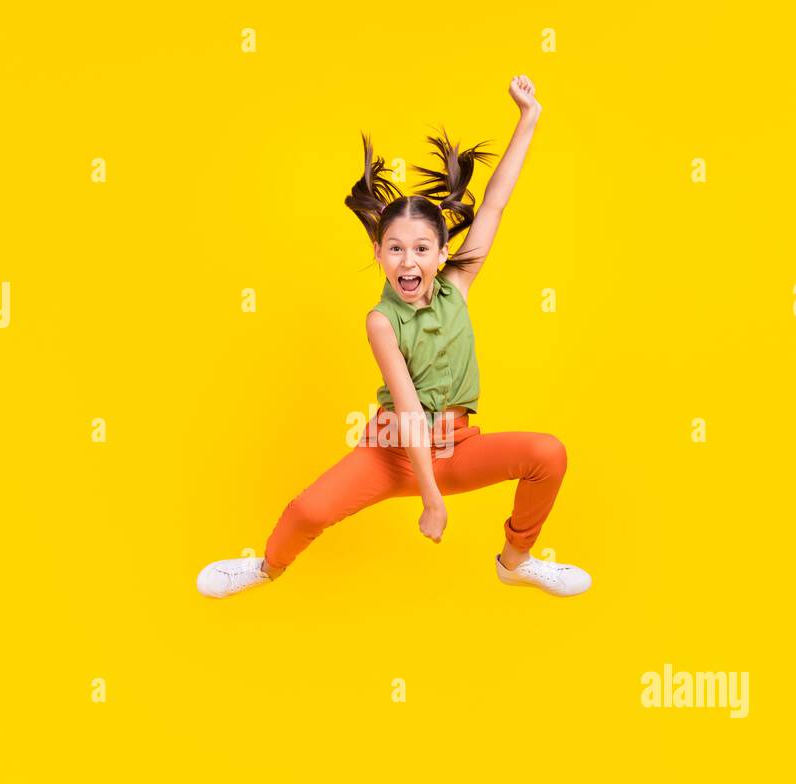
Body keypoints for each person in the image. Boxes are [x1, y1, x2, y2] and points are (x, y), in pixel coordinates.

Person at [198, 75, 591, 599]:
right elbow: (407, 411)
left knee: (549, 453)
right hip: (393, 452)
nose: (409, 260)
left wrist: (528, 119)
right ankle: (265, 568)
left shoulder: (458, 286)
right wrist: (430, 498)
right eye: (396, 249)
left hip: (457, 446)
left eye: (422, 249)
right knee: (306, 510)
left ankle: (515, 561)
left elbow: (494, 205)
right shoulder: (381, 321)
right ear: (380, 255)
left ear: (442, 254)